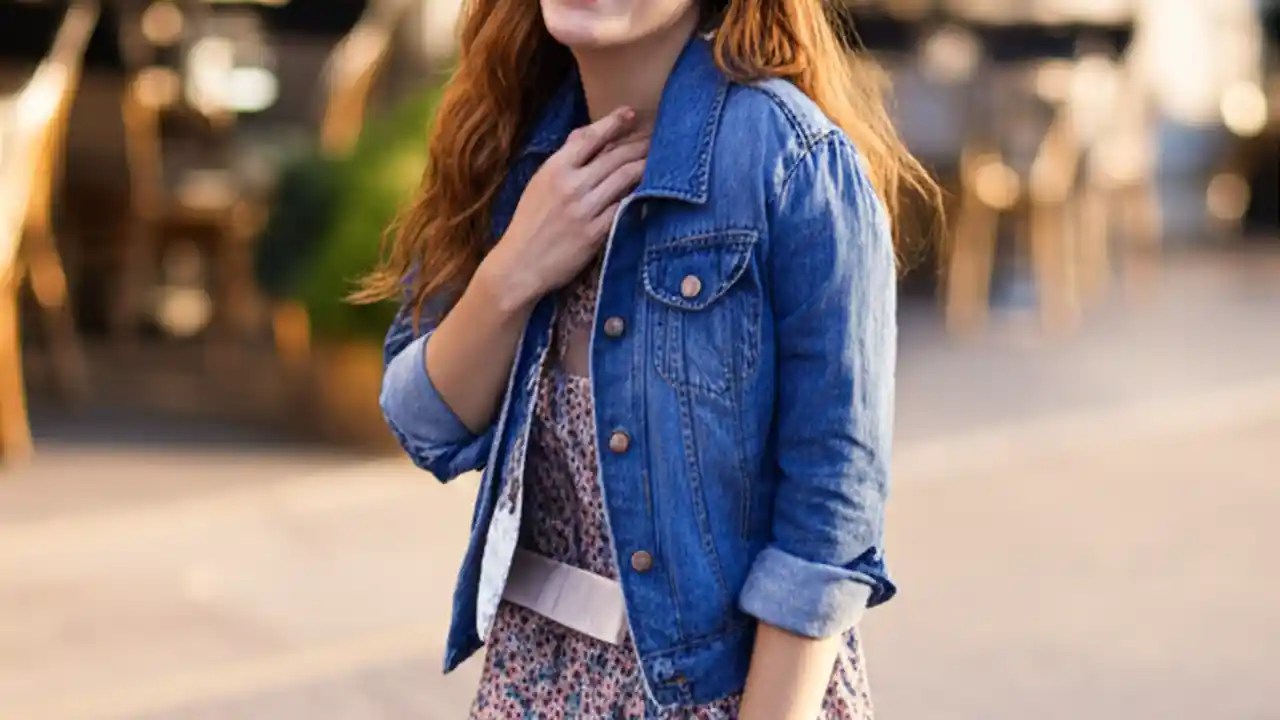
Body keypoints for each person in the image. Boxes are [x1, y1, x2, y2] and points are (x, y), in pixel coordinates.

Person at [360, 0, 938, 717]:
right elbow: (423, 422)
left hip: (714, 695)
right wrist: (513, 271)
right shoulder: (508, 139)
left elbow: (828, 529)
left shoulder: (795, 165)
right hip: (532, 684)